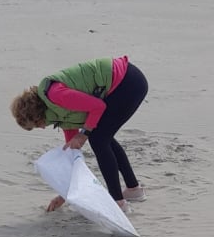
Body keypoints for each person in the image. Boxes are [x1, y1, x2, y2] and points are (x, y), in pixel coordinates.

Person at [11, 56, 148, 213]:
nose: (41, 128)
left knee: (99, 139)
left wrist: (83, 134)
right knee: (102, 136)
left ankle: (118, 203)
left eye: (36, 125)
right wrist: (64, 195)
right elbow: (74, 157)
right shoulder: (59, 115)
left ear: (36, 116)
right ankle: (133, 190)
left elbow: (98, 106)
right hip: (121, 85)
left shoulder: (56, 96)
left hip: (128, 81)